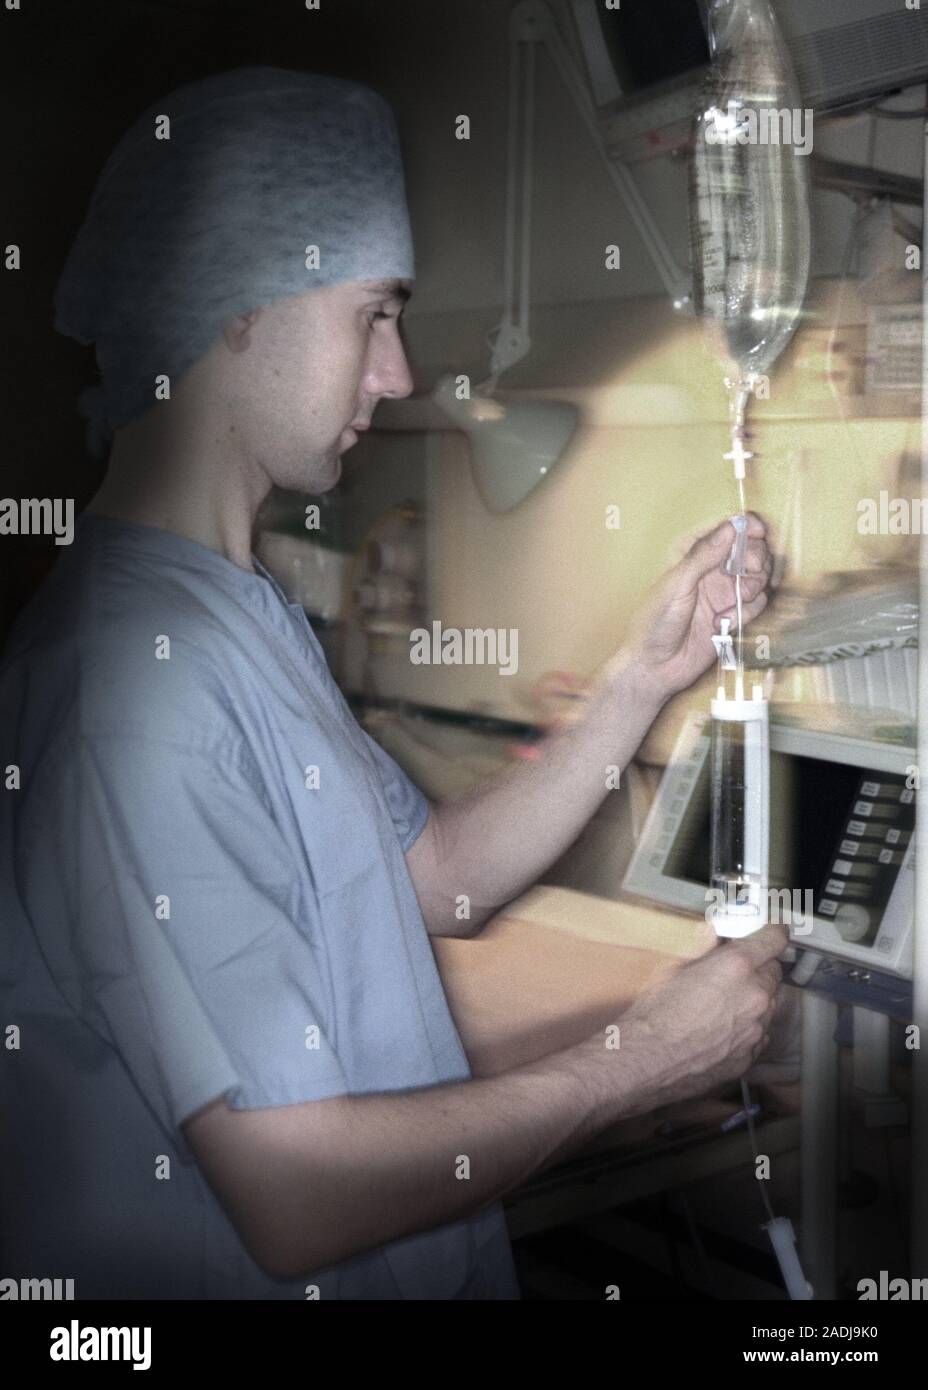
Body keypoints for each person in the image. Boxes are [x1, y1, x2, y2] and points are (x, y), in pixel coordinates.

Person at [0, 66, 783, 1300]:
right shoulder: (136, 694)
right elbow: (293, 1188)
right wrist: (639, 1058)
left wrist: (644, 672)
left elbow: (436, 881)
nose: (401, 373)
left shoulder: (233, 611)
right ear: (237, 304)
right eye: (374, 313)